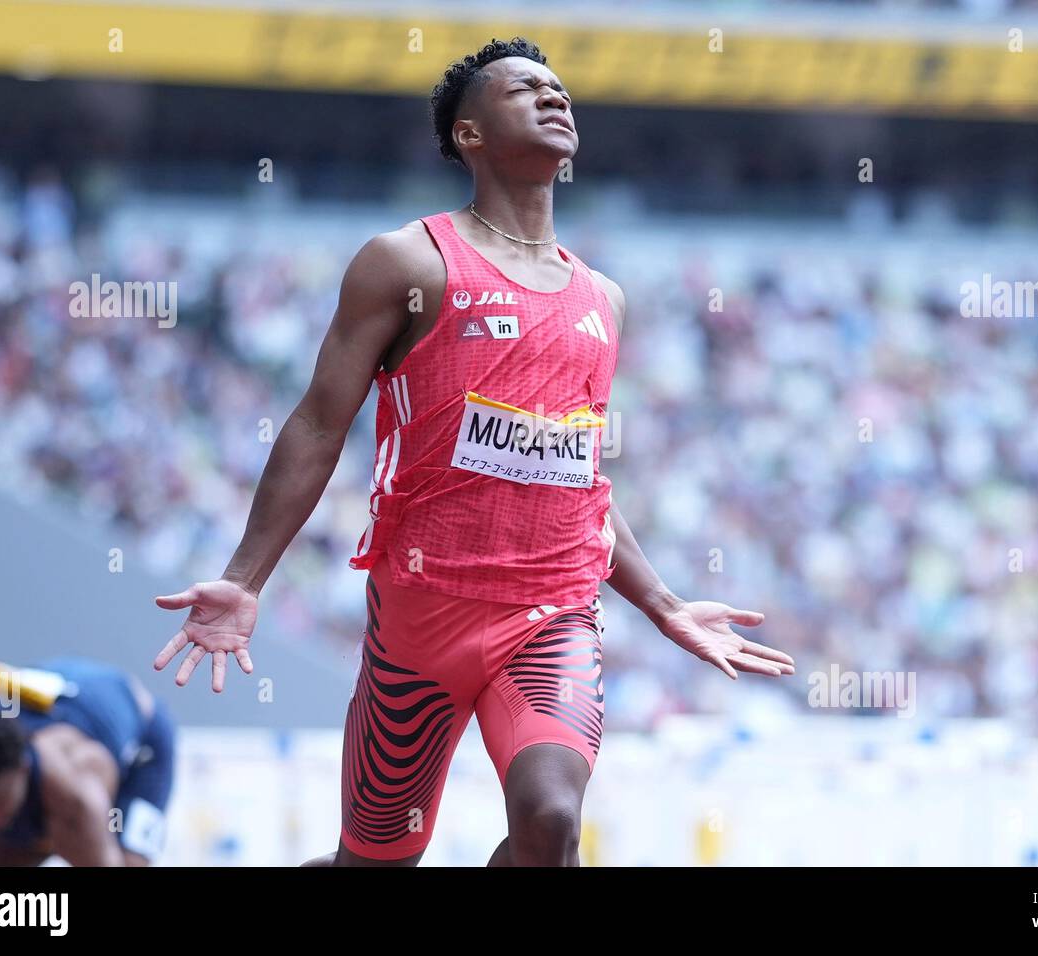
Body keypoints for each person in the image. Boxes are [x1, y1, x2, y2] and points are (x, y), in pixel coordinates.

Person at [154, 37, 794, 867]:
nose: (554, 96)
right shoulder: (407, 262)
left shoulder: (603, 298)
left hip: (552, 613)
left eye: (559, 89)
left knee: (550, 822)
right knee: (374, 862)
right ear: (470, 134)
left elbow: (579, 479)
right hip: (421, 615)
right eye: (525, 89)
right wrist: (245, 579)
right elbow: (317, 424)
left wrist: (663, 604)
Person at [0, 657, 174, 866]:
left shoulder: (76, 798)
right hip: (60, 692)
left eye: (0, 802)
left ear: (23, 768)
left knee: (130, 862)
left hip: (144, 741)